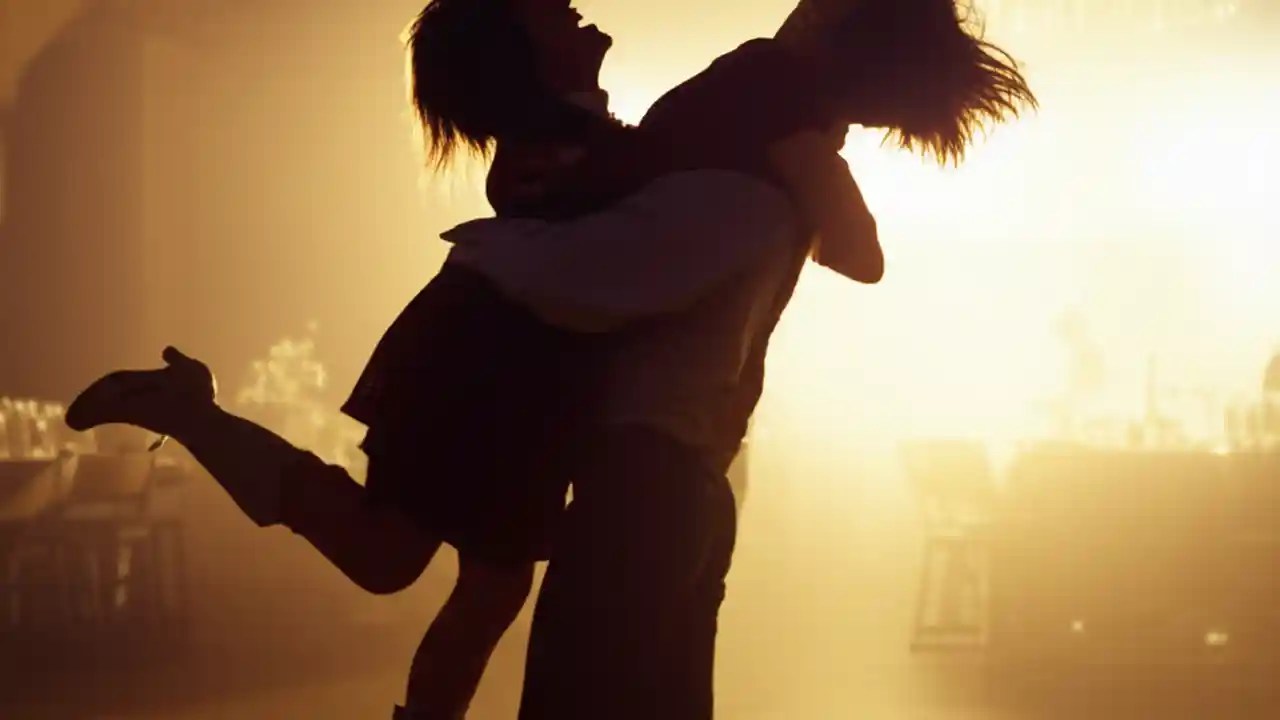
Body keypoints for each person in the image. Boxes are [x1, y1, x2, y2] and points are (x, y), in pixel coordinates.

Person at [65, 0, 1035, 716]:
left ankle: (196, 416)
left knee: (462, 578)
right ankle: (192, 414)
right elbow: (608, 232)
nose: (591, 25)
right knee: (396, 557)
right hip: (494, 363)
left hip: (535, 386)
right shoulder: (612, 138)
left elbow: (784, 237)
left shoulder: (722, 120)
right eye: (562, 18)